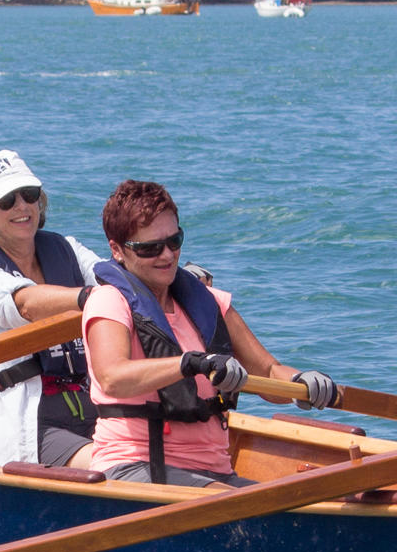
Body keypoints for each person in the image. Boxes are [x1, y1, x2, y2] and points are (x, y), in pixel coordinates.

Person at [81, 179, 341, 486]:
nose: (167, 256)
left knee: (297, 502)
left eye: (174, 241)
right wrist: (190, 363)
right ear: (117, 250)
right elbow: (112, 377)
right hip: (137, 465)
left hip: (215, 470)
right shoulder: (110, 301)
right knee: (250, 508)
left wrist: (301, 382)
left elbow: (268, 372)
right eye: (150, 248)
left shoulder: (210, 302)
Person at [0, 149, 104, 468]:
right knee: (117, 465)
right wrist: (93, 298)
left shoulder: (65, 249)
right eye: (6, 200)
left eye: (28, 194)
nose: (21, 206)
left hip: (89, 403)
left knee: (160, 449)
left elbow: (113, 276)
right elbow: (26, 304)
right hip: (19, 420)